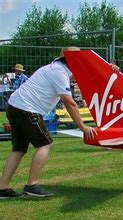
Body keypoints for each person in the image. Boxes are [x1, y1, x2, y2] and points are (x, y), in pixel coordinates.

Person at [0, 47, 96, 199]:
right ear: (72, 61)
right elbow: (69, 102)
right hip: (27, 109)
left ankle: (3, 188)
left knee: (19, 149)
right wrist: (82, 127)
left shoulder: (54, 68)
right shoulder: (60, 73)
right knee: (45, 144)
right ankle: (32, 185)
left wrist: (111, 69)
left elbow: (86, 74)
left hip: (13, 106)